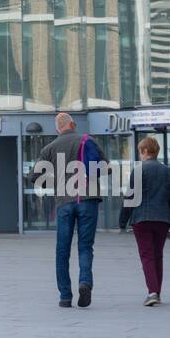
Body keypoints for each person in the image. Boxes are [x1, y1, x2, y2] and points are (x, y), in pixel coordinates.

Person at [40, 112, 107, 308]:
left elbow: (36, 176)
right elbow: (105, 168)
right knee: (85, 246)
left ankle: (65, 296)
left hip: (64, 203)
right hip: (88, 200)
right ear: (73, 124)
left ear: (57, 129)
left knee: (62, 250)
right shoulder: (89, 141)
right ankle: (85, 282)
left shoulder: (49, 148)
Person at [122, 135, 170, 306]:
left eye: (140, 151)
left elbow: (130, 197)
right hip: (163, 219)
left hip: (142, 219)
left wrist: (123, 220)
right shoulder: (168, 171)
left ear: (146, 151)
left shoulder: (139, 170)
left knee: (147, 255)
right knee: (157, 255)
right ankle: (157, 292)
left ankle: (152, 292)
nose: (140, 155)